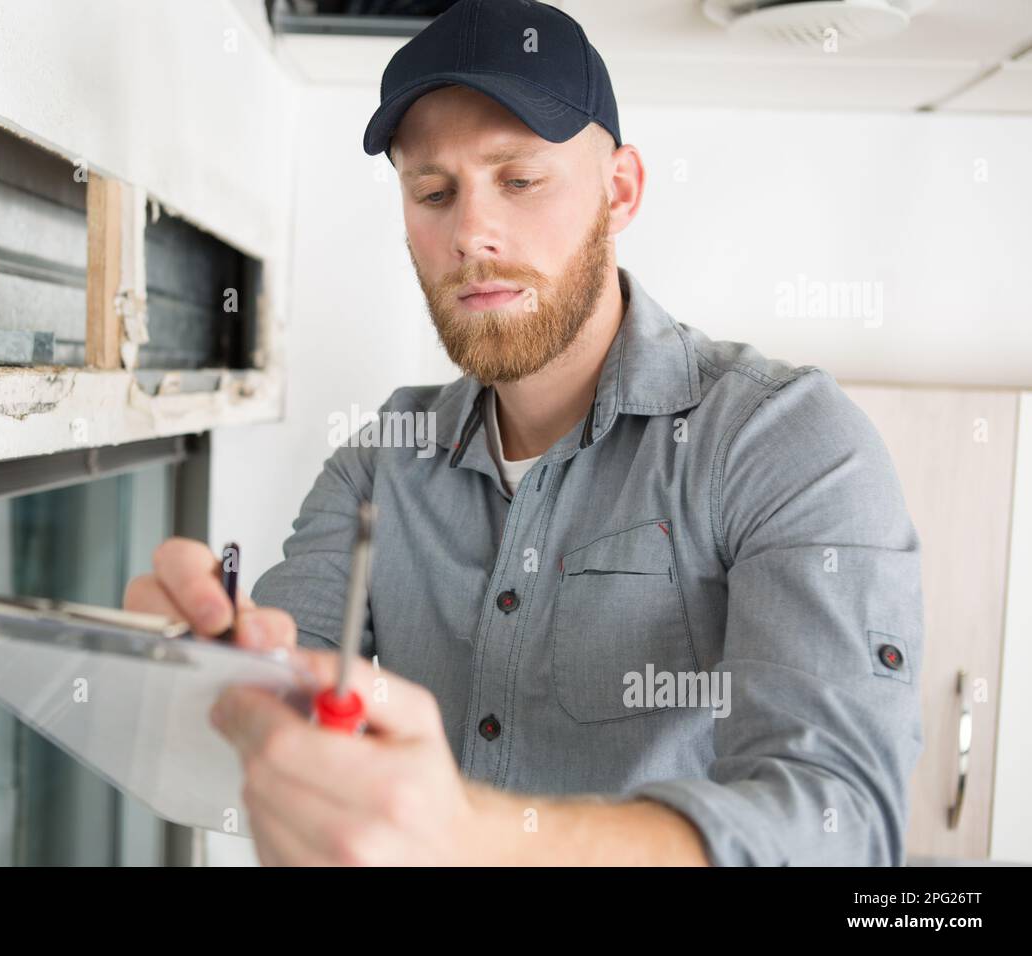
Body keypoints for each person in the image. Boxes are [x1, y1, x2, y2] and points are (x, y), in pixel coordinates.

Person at [124, 0, 924, 866]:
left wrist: (479, 841)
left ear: (619, 191)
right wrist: (203, 669)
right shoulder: (380, 459)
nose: (471, 234)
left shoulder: (783, 440)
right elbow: (278, 703)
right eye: (433, 192)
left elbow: (841, 821)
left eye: (519, 179)